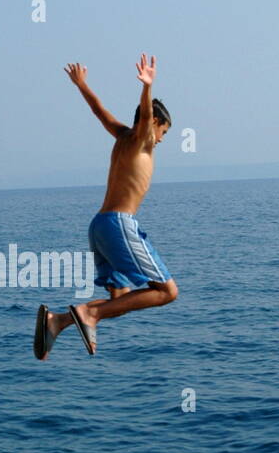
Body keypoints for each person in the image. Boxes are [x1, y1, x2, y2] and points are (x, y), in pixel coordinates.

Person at [34, 54, 177, 359]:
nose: (162, 140)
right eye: (163, 132)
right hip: (119, 224)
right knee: (167, 292)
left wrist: (81, 84)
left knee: (122, 298)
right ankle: (88, 314)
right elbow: (145, 115)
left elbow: (99, 110)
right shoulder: (141, 139)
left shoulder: (122, 135)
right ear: (153, 123)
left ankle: (57, 322)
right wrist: (147, 88)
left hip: (99, 226)